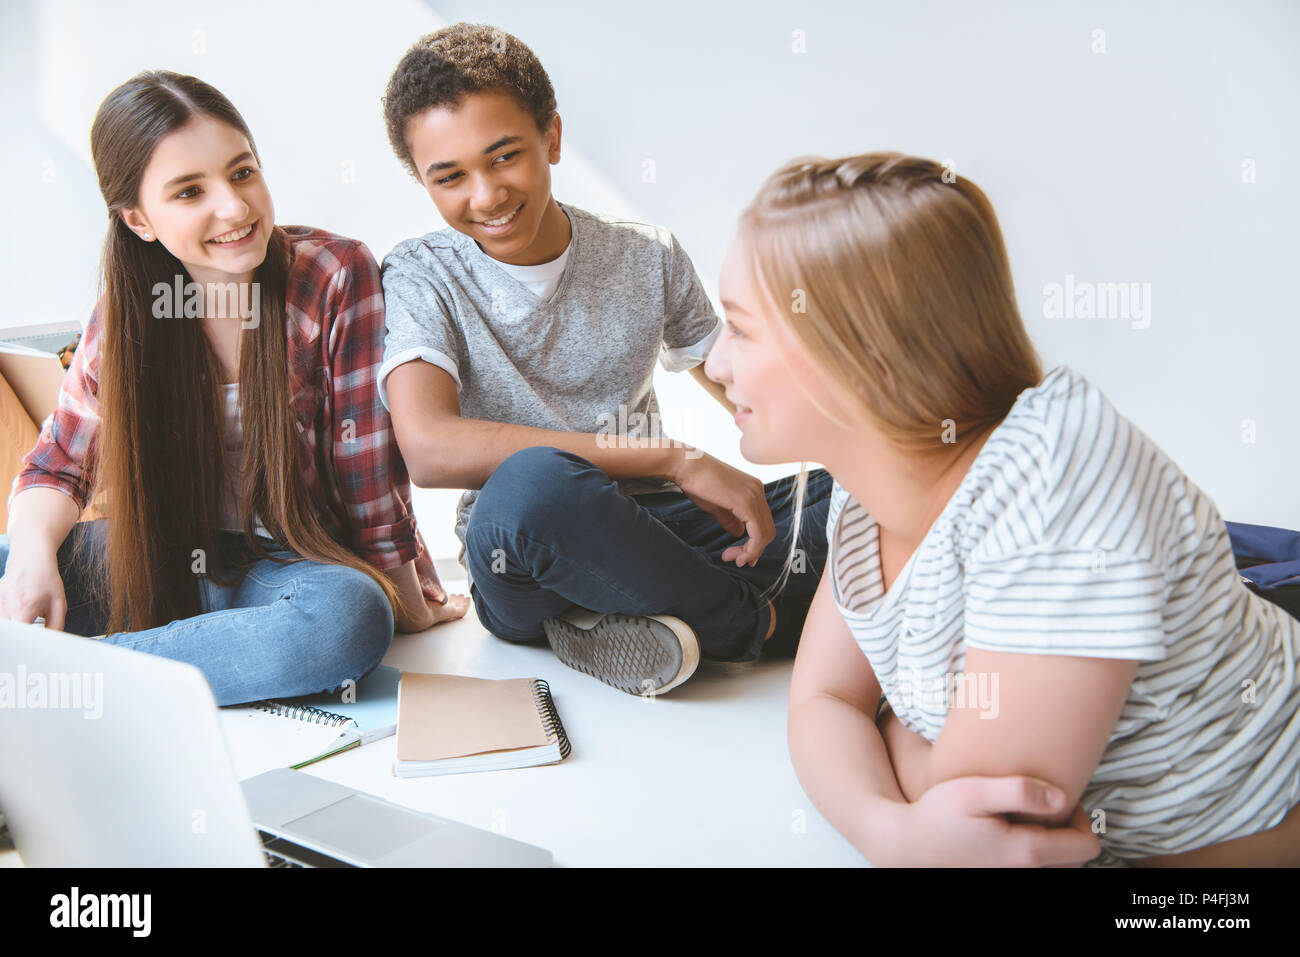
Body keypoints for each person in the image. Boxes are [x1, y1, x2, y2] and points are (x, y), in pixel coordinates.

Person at [706, 151, 1300, 866]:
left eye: (739, 328)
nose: (714, 364)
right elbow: (824, 704)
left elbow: (992, 834)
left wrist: (895, 739)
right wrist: (891, 830)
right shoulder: (863, 495)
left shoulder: (1056, 474)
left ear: (863, 356)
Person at [378, 23, 830, 696]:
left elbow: (744, 376)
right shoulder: (419, 274)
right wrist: (675, 457)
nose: (486, 195)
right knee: (532, 485)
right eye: (450, 177)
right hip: (529, 549)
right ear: (421, 179)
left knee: (851, 494)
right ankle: (758, 624)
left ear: (552, 138)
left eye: (505, 157)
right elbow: (431, 449)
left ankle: (633, 616)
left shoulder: (646, 254)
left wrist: (866, 440)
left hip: (660, 527)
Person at [0, 71, 468, 707]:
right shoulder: (124, 316)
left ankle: (55, 679)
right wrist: (32, 559)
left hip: (290, 569)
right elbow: (58, 466)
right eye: (190, 191)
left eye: (242, 172)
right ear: (138, 219)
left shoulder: (334, 273)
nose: (234, 207)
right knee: (12, 556)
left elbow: (369, 473)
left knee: (351, 619)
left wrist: (406, 601)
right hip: (163, 563)